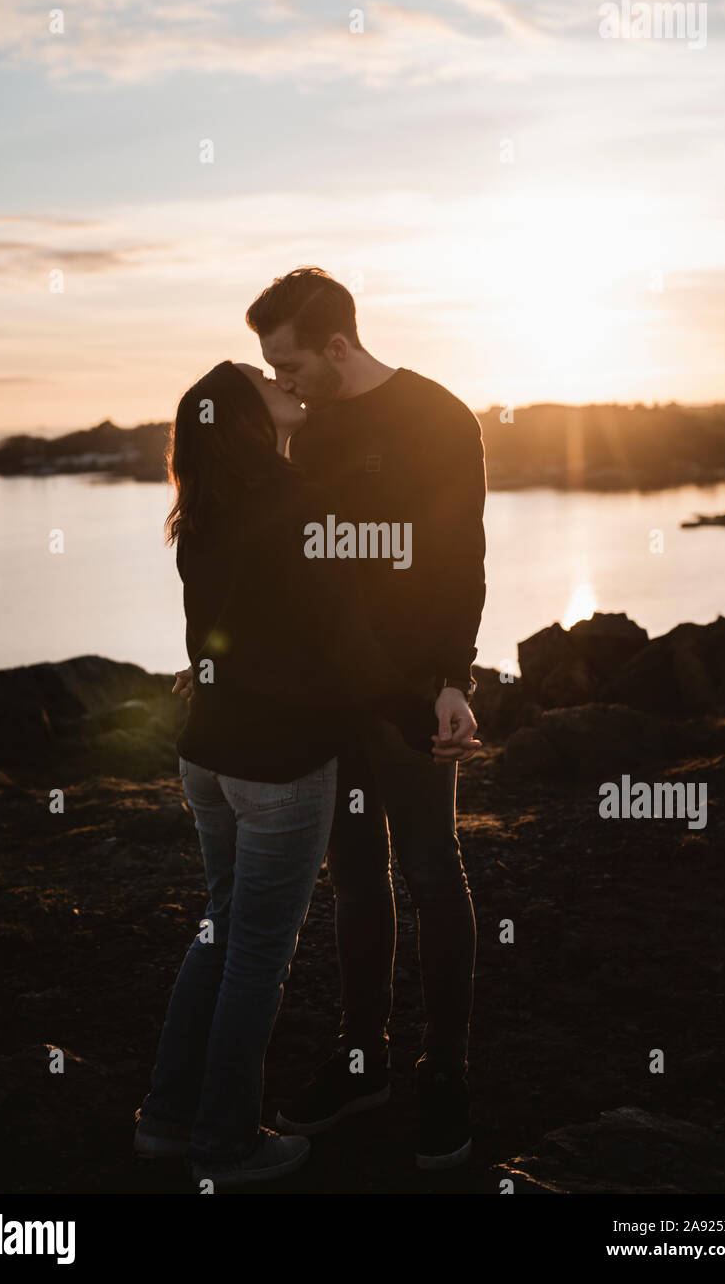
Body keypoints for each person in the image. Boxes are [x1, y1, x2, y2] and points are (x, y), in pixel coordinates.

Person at [134, 359, 410, 1189]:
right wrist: (423, 703)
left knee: (220, 932)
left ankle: (165, 1118)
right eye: (263, 379)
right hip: (279, 765)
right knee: (256, 951)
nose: (278, 380)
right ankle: (222, 1143)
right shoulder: (300, 502)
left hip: (206, 756)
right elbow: (343, 640)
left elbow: (220, 636)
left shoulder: (200, 512)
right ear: (249, 421)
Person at [246, 267, 487, 1171]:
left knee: (431, 868)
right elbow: (283, 563)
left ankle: (447, 1075)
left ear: (338, 345)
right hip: (323, 699)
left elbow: (462, 557)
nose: (281, 380)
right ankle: (362, 1062)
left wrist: (453, 680)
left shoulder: (437, 418)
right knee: (352, 877)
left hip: (412, 694)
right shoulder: (298, 429)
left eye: (290, 362)